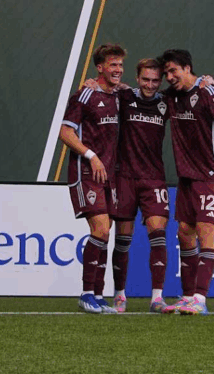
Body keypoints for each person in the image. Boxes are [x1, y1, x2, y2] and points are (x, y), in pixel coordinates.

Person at [157, 48, 214, 316]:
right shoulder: (171, 96)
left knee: (205, 232)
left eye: (173, 71)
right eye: (166, 73)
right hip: (187, 177)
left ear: (187, 68)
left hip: (209, 175)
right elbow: (144, 95)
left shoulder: (207, 92)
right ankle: (188, 296)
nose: (170, 77)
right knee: (184, 232)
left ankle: (200, 300)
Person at [58, 43, 126, 314]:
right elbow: (65, 132)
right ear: (100, 67)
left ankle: (98, 294)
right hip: (86, 172)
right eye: (113, 65)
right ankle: (86, 293)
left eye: (120, 65)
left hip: (109, 174)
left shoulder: (119, 96)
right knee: (100, 230)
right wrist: (91, 156)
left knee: (105, 233)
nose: (118, 69)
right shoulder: (85, 94)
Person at [105, 57, 172, 313]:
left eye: (155, 80)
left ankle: (157, 298)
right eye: (146, 79)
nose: (150, 85)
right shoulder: (124, 97)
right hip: (125, 177)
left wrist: (204, 80)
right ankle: (120, 295)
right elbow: (104, 88)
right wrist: (92, 83)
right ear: (137, 78)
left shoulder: (167, 102)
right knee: (123, 239)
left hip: (154, 178)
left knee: (158, 233)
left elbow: (190, 92)